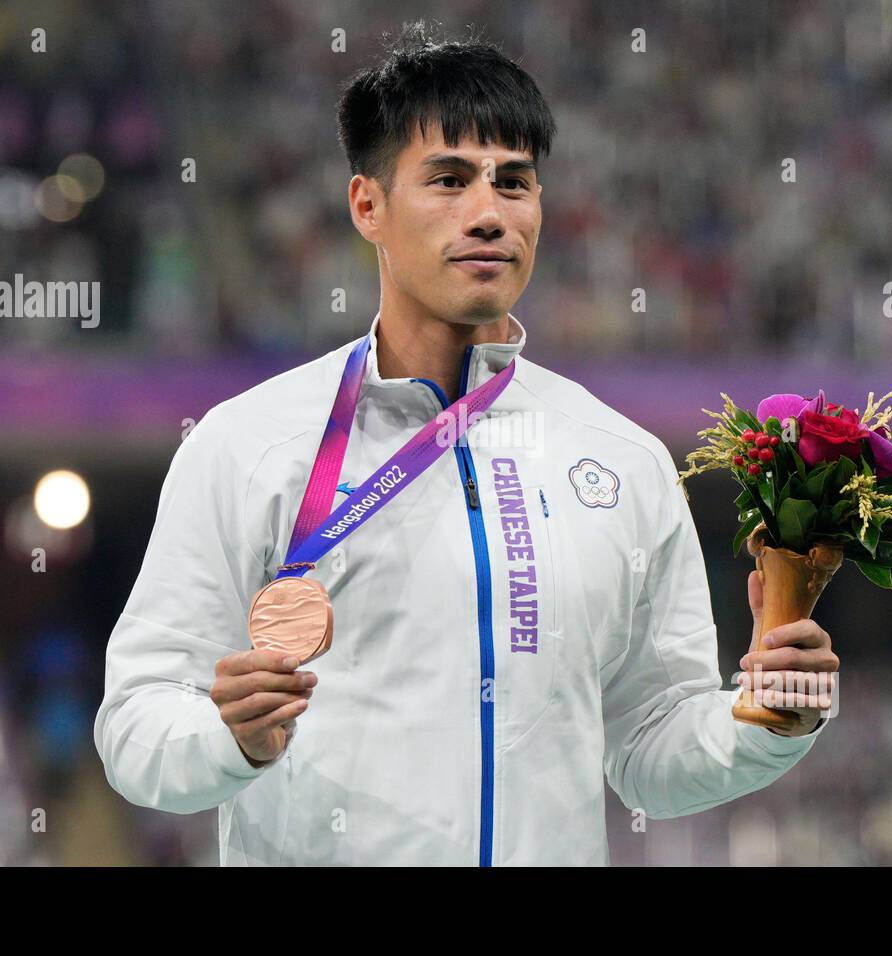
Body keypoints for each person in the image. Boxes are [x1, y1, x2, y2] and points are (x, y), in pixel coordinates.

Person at [94, 20, 837, 866]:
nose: (489, 213)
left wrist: (770, 715)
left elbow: (649, 755)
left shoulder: (621, 461)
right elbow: (136, 728)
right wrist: (228, 740)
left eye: (514, 183)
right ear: (367, 206)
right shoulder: (248, 444)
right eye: (448, 180)